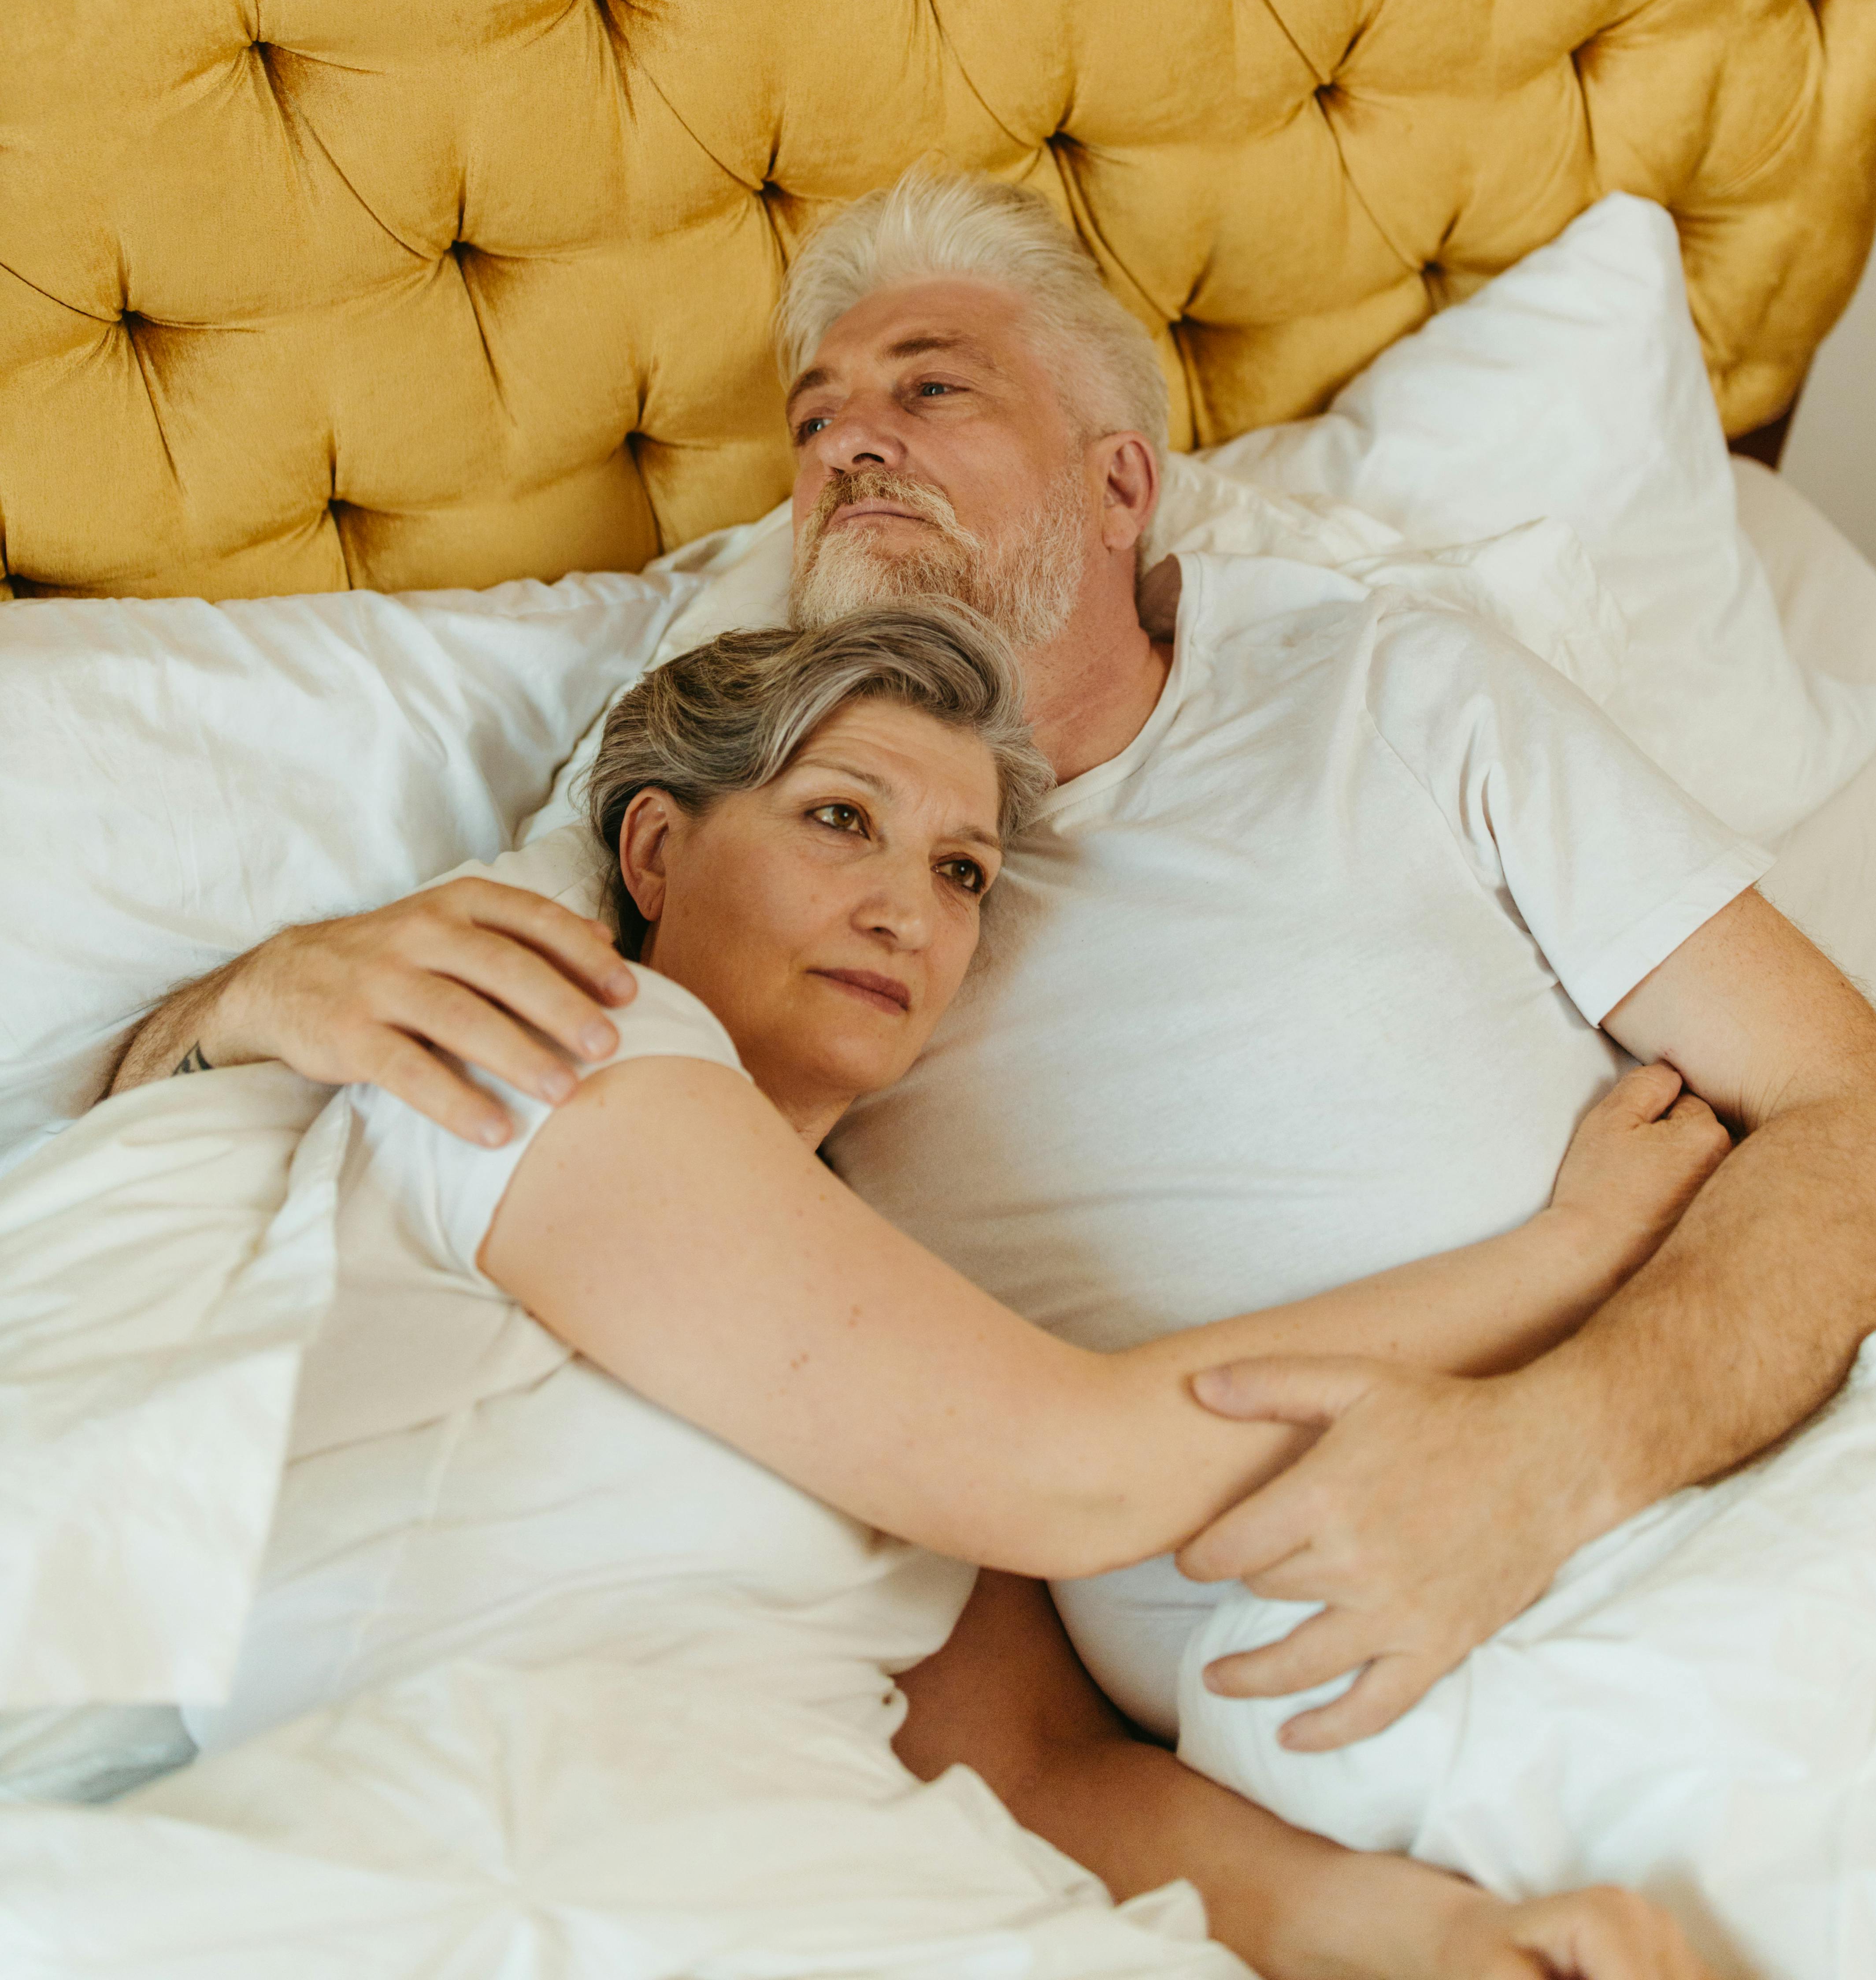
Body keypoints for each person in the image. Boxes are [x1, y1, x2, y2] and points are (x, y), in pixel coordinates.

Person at [108, 171, 1876, 1948]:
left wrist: (1561, 1450)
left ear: (1120, 483)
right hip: (1381, 1698)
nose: (848, 441)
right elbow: (1005, 1639)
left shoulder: (1394, 688)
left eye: (930, 388)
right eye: (819, 416)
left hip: (1771, 1474)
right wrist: (239, 1000)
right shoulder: (747, 999)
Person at [163, 601, 1723, 1980]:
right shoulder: (572, 1049)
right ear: (654, 849)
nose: (909, 909)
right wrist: (1569, 1253)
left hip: (830, 1880)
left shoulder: (898, 1292)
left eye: (962, 868)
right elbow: (1075, 1470)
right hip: (478, 1841)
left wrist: (1437, 1936)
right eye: (841, 820)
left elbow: (1038, 1778)